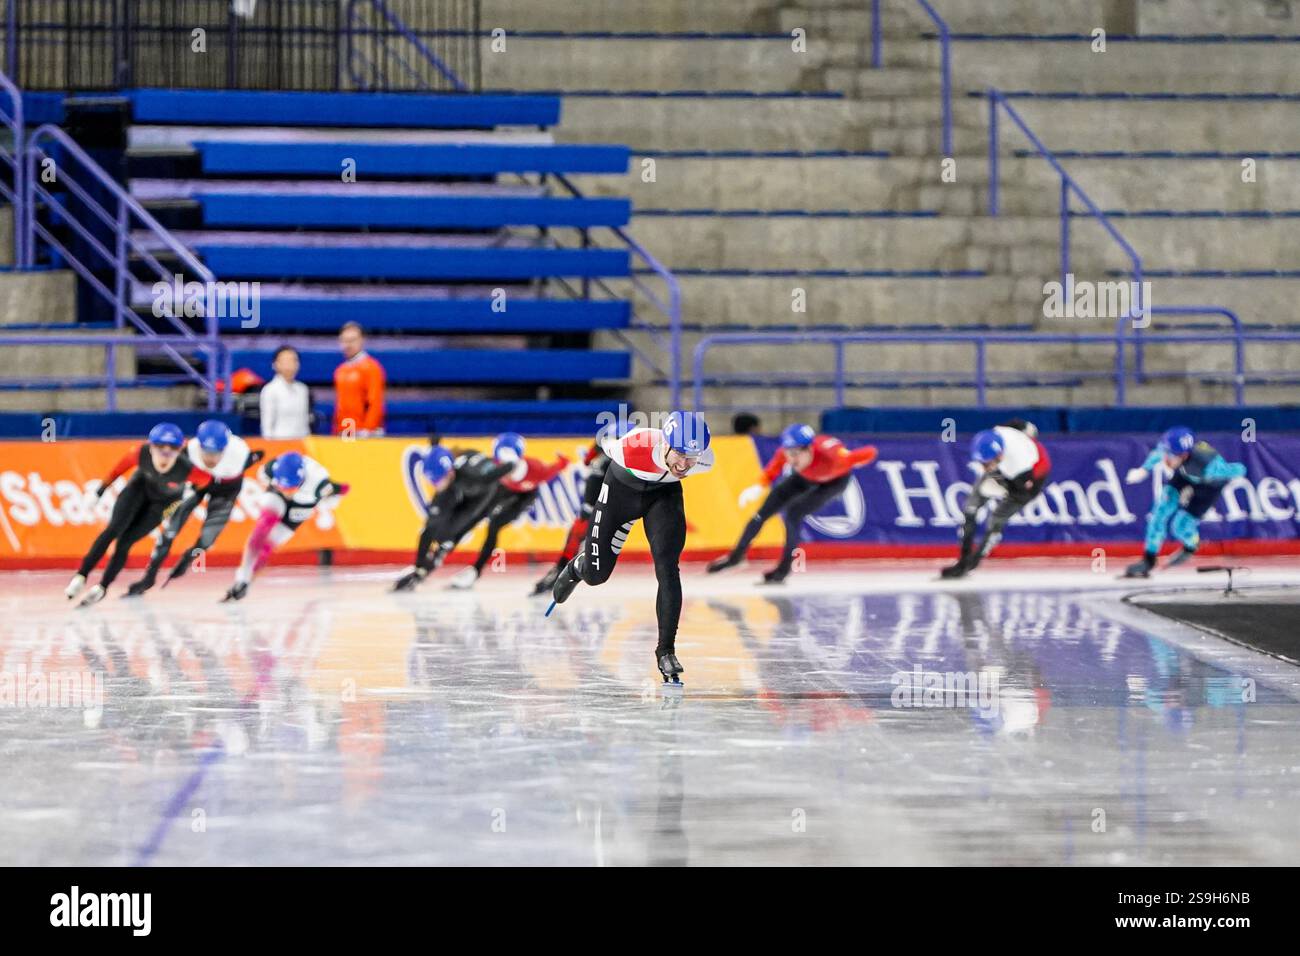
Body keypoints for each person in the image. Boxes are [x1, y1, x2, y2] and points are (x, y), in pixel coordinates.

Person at [549, 411, 714, 687]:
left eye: (692, 458)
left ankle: (666, 651)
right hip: (621, 491)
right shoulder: (631, 446)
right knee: (596, 575)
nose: (685, 465)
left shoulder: (705, 460)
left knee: (668, 568)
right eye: (680, 455)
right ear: (666, 444)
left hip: (663, 496)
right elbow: (601, 446)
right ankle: (579, 566)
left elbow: (687, 462)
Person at [707, 423, 877, 583]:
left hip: (833, 483)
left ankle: (784, 569)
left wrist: (857, 459)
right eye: (788, 453)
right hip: (804, 477)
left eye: (796, 454)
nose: (791, 459)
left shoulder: (834, 457)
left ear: (809, 449)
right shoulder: (787, 453)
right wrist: (758, 487)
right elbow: (773, 469)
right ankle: (735, 558)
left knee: (793, 515)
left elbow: (870, 452)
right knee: (760, 514)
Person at [65, 423, 207, 607]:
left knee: (125, 542)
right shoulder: (140, 453)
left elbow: (206, 482)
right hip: (138, 489)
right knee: (113, 530)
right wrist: (98, 492)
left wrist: (192, 495)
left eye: (172, 449)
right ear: (151, 446)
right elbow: (117, 471)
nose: (165, 453)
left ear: (180, 450)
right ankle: (81, 576)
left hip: (165, 503)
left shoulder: (187, 469)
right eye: (160, 447)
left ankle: (102, 587)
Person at [125, 420, 264, 595]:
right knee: (169, 532)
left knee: (206, 540)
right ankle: (149, 576)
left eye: (216, 453)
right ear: (199, 446)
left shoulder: (240, 453)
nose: (210, 458)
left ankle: (190, 557)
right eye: (206, 452)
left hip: (226, 491)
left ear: (226, 448)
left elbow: (260, 455)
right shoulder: (189, 450)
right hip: (198, 483)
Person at [448, 433, 570, 590]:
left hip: (525, 496)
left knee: (494, 525)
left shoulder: (537, 469)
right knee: (480, 512)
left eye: (508, 465)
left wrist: (563, 460)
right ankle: (451, 541)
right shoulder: (495, 468)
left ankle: (476, 570)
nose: (505, 469)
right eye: (502, 464)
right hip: (504, 489)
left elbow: (556, 467)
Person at [223, 451, 349, 602]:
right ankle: (241, 579)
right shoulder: (269, 470)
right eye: (284, 486)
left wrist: (332, 501)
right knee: (262, 528)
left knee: (267, 547)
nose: (287, 492)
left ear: (301, 480)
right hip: (278, 495)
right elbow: (268, 481)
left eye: (291, 488)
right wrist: (280, 489)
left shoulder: (320, 484)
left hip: (303, 505)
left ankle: (246, 584)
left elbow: (344, 488)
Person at [1123, 427, 1247, 578]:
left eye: (1169, 455)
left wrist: (1231, 472)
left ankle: (1190, 546)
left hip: (1208, 486)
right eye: (1166, 453)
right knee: (1160, 511)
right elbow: (1158, 453)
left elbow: (1239, 469)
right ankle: (1148, 559)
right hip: (1185, 475)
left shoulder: (1208, 465)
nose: (1165, 459)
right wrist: (1143, 470)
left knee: (1180, 526)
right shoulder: (1177, 454)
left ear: (1183, 454)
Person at [392, 445, 515, 591]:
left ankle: (450, 549)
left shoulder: (471, 477)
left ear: (450, 473)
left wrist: (512, 465)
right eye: (432, 482)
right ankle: (440, 550)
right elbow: (428, 529)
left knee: (457, 528)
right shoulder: (449, 479)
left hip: (486, 493)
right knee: (436, 526)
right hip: (465, 486)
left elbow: (490, 477)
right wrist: (418, 567)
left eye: (437, 481)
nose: (435, 486)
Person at [942, 419, 1051, 579]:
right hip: (1006, 467)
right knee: (970, 509)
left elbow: (1017, 490)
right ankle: (964, 559)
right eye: (982, 463)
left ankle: (974, 560)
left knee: (996, 519)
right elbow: (1021, 425)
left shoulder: (1021, 465)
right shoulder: (997, 434)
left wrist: (1000, 485)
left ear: (999, 456)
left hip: (1030, 479)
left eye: (987, 463)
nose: (984, 467)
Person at [531, 435, 612, 596]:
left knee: (579, 541)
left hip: (600, 508)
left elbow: (588, 460)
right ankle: (560, 572)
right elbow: (588, 460)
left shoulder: (607, 459)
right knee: (575, 539)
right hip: (593, 508)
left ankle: (561, 573)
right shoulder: (607, 458)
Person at [332, 322, 385, 437]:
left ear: (362, 340)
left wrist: (368, 430)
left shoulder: (371, 367)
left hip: (365, 432)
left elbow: (375, 402)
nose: (348, 345)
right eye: (345, 341)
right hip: (346, 431)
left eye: (352, 340)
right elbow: (340, 405)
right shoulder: (340, 370)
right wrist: (337, 430)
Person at [259, 345, 311, 438]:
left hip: (301, 442)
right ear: (276, 364)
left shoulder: (303, 389)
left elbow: (305, 422)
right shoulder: (270, 390)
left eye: (294, 360)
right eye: (285, 361)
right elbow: (267, 426)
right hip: (279, 442)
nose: (290, 364)